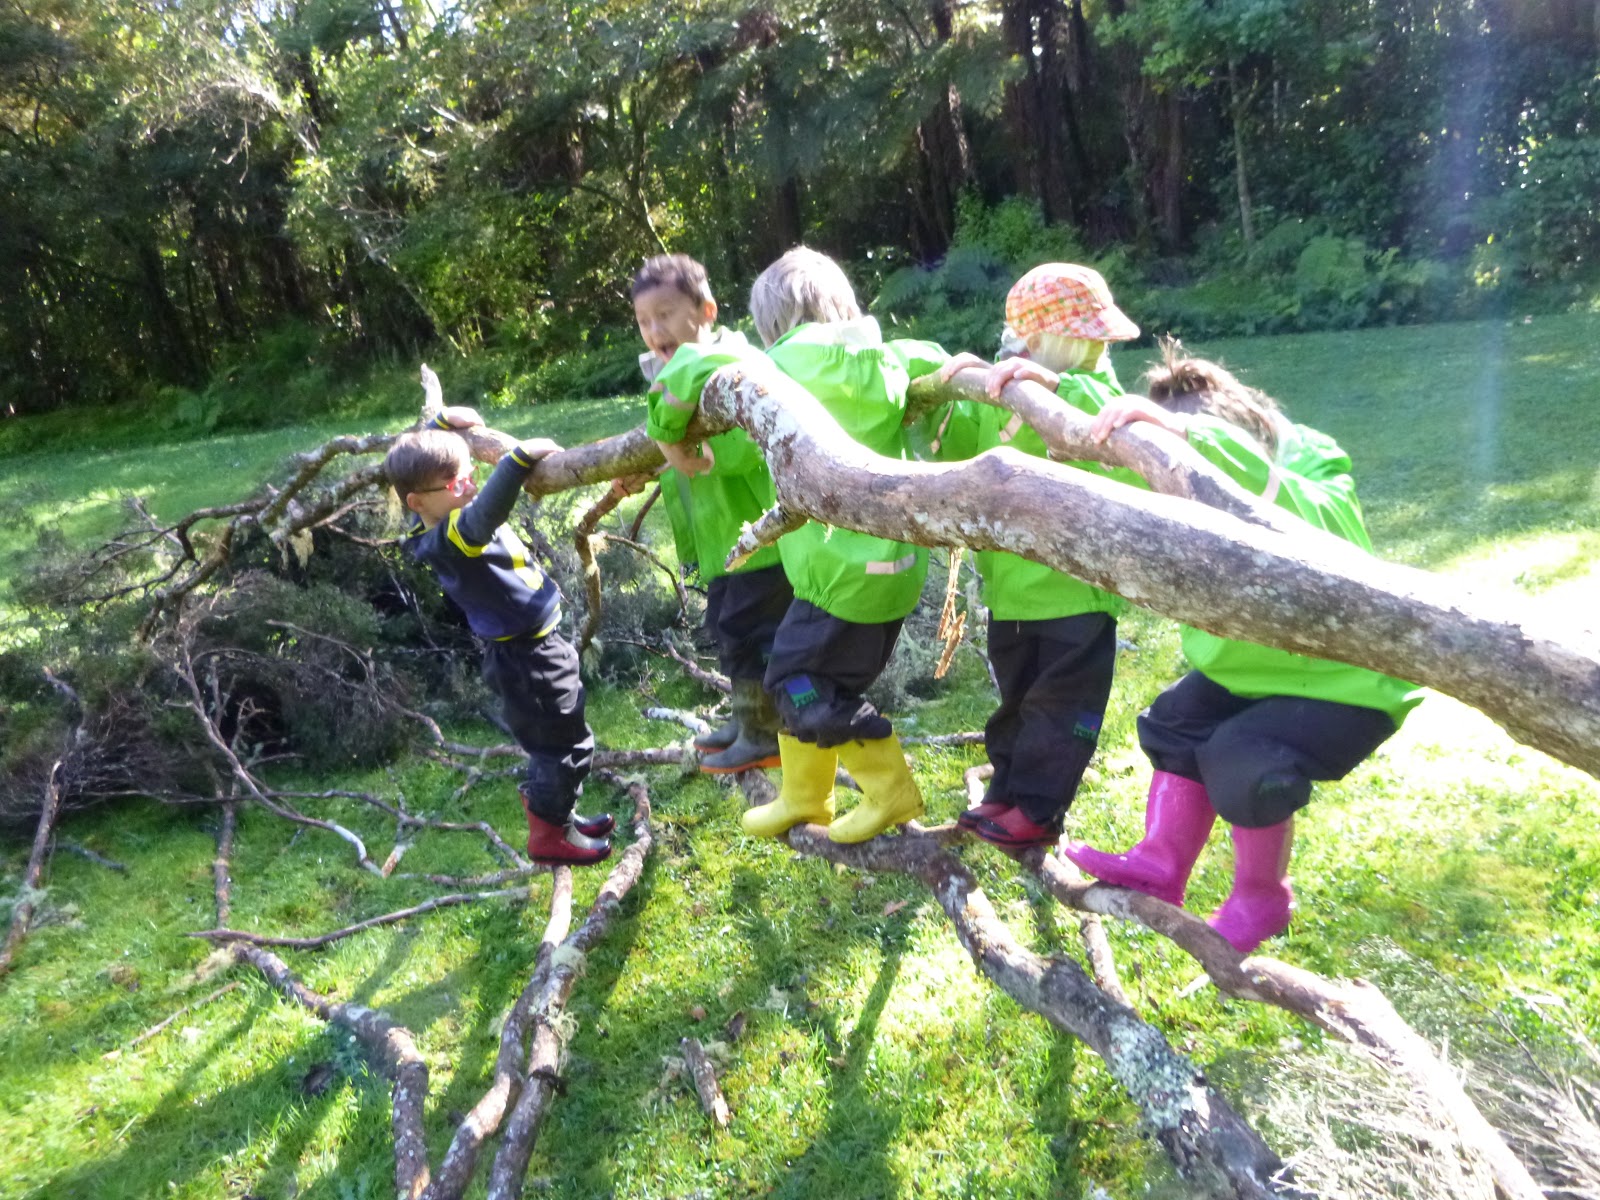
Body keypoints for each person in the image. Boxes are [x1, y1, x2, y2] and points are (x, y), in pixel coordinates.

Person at [1063, 345, 1424, 952]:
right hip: (1249, 669)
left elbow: (1323, 521)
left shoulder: (1311, 463)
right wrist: (1048, 381)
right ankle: (1162, 861)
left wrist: (1192, 439)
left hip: (1350, 682)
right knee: (1174, 723)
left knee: (1242, 756)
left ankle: (1264, 896)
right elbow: (1095, 447)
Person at [653, 247, 948, 843]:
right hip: (893, 565)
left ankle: (889, 787)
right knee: (798, 667)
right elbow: (940, 362)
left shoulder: (776, 368)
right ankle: (804, 796)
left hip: (837, 571)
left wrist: (669, 435)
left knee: (799, 681)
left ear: (771, 322)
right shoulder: (887, 360)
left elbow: (694, 366)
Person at [927, 263, 1143, 851]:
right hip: (1013, 589)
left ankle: (1041, 810)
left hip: (1075, 594)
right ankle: (1009, 787)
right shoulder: (1010, 391)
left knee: (1059, 707)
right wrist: (961, 389)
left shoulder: (1099, 395)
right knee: (1016, 699)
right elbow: (964, 455)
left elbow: (1098, 418)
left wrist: (1054, 387)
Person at [385, 409, 613, 866]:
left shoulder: (438, 513)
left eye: (471, 475)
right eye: (457, 485)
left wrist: (442, 427)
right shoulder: (451, 537)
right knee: (565, 746)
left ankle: (559, 815)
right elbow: (487, 511)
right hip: (527, 658)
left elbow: (437, 471)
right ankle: (549, 833)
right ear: (417, 503)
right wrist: (516, 460)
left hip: (533, 648)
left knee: (561, 737)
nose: (469, 487)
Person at [631, 254, 794, 774]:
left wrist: (696, 456)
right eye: (644, 322)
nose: (655, 330)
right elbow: (671, 446)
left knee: (752, 633)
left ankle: (764, 731)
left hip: (755, 534)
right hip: (719, 540)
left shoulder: (734, 369)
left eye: (666, 314)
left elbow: (747, 448)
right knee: (729, 630)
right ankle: (746, 718)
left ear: (706, 310)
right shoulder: (672, 378)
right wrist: (644, 467)